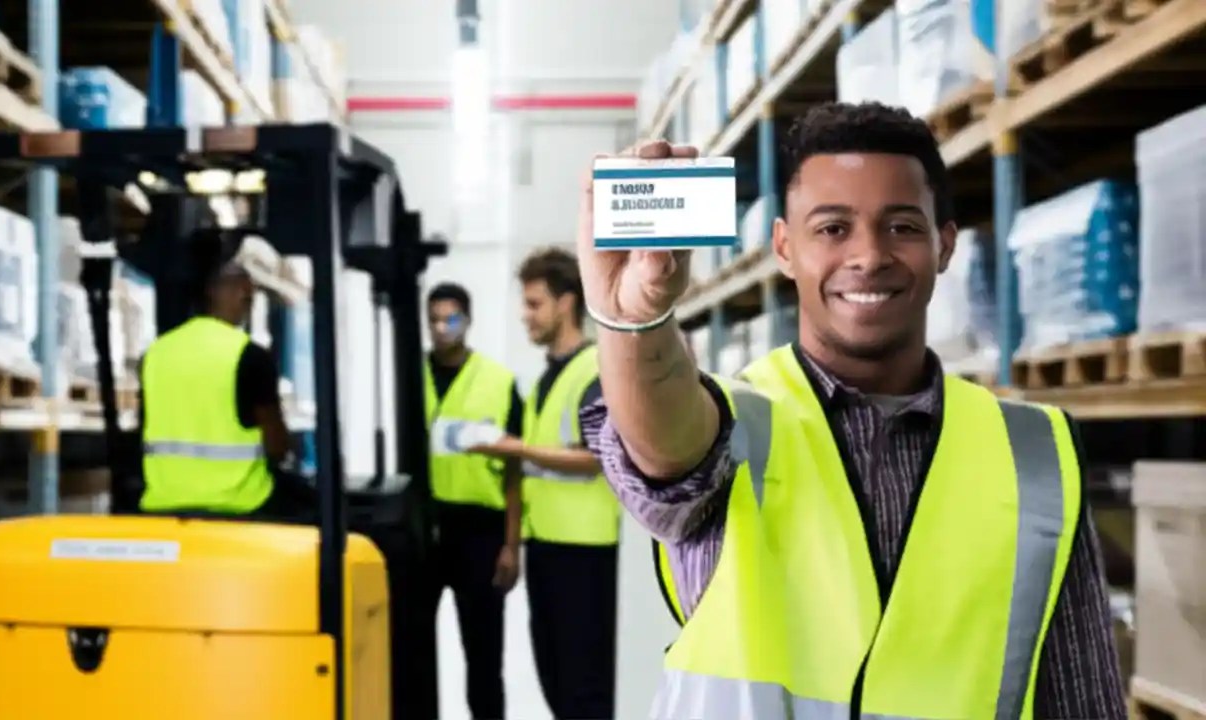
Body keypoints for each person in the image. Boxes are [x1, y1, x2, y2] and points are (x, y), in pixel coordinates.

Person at [575, 103, 1126, 719]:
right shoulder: (738, 430)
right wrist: (634, 318)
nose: (868, 256)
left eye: (902, 227)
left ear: (944, 245)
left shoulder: (1035, 453)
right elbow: (664, 444)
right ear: (784, 247)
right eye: (833, 228)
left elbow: (1084, 694)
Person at [471, 247, 619, 720]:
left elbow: (594, 457)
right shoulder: (545, 379)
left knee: (584, 686)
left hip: (586, 548)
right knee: (555, 678)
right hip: (549, 545)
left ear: (565, 303)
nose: (525, 315)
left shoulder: (595, 370)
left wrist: (514, 449)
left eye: (534, 304)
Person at [138, 258, 313, 521]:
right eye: (249, 294)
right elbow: (276, 446)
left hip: (164, 502)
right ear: (240, 291)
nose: (250, 302)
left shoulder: (156, 353)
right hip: (240, 504)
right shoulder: (250, 355)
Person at [423, 281, 524, 720]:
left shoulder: (498, 383)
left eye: (452, 318)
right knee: (411, 650)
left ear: (469, 320)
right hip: (422, 527)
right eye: (435, 319)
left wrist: (511, 544)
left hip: (480, 532)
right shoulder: (406, 373)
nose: (442, 328)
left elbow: (515, 470)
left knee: (483, 656)